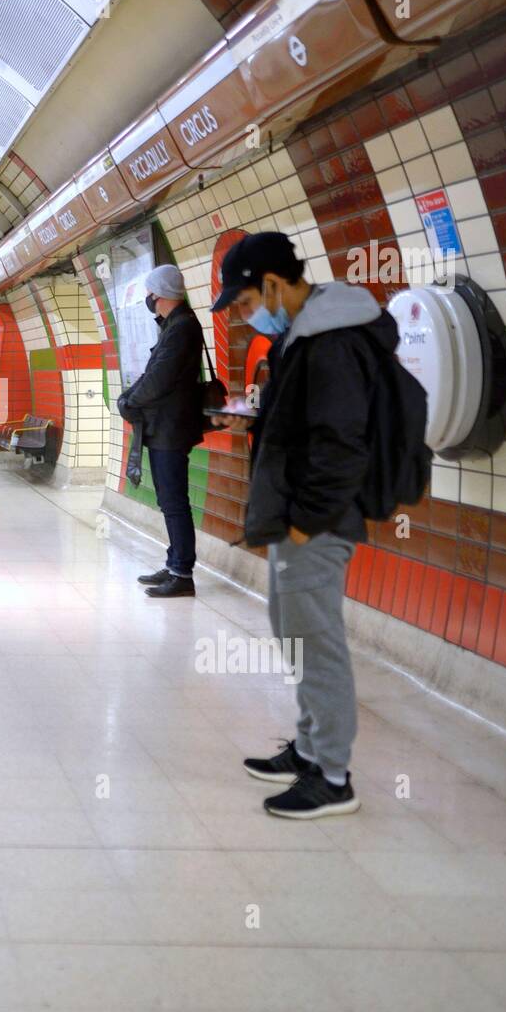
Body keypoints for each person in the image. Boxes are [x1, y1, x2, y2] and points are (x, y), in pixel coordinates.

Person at [211, 230, 392, 819]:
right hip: (298, 516)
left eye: (244, 303)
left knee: (318, 642)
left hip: (317, 521)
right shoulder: (303, 336)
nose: (246, 316)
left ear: (272, 283)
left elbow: (342, 444)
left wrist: (304, 523)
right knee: (291, 627)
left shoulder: (332, 341)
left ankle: (333, 776)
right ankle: (312, 748)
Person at [117, 264, 204, 599]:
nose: (148, 299)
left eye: (150, 293)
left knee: (174, 500)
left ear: (162, 294)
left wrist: (131, 401)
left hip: (171, 427)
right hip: (166, 425)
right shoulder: (174, 325)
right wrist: (130, 398)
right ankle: (174, 563)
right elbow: (155, 370)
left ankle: (182, 573)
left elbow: (160, 378)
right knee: (168, 499)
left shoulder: (182, 328)